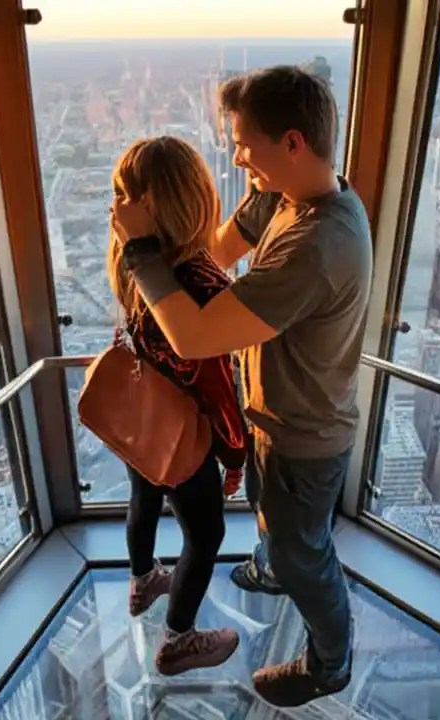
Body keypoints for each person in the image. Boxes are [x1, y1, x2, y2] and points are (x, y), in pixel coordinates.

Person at [112, 66, 372, 707]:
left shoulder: (316, 243)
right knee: (273, 518)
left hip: (304, 436)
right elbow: (218, 253)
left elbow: (197, 337)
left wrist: (144, 250)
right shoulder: (288, 196)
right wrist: (173, 245)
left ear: (291, 142)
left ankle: (328, 663)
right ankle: (271, 565)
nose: (235, 156)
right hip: (274, 419)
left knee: (308, 556)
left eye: (244, 143)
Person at [106, 136, 249, 676]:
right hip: (185, 441)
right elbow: (217, 388)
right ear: (195, 200)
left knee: (142, 498)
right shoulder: (200, 284)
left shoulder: (136, 266)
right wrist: (235, 457)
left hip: (141, 422)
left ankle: (142, 583)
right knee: (206, 534)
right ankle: (178, 641)